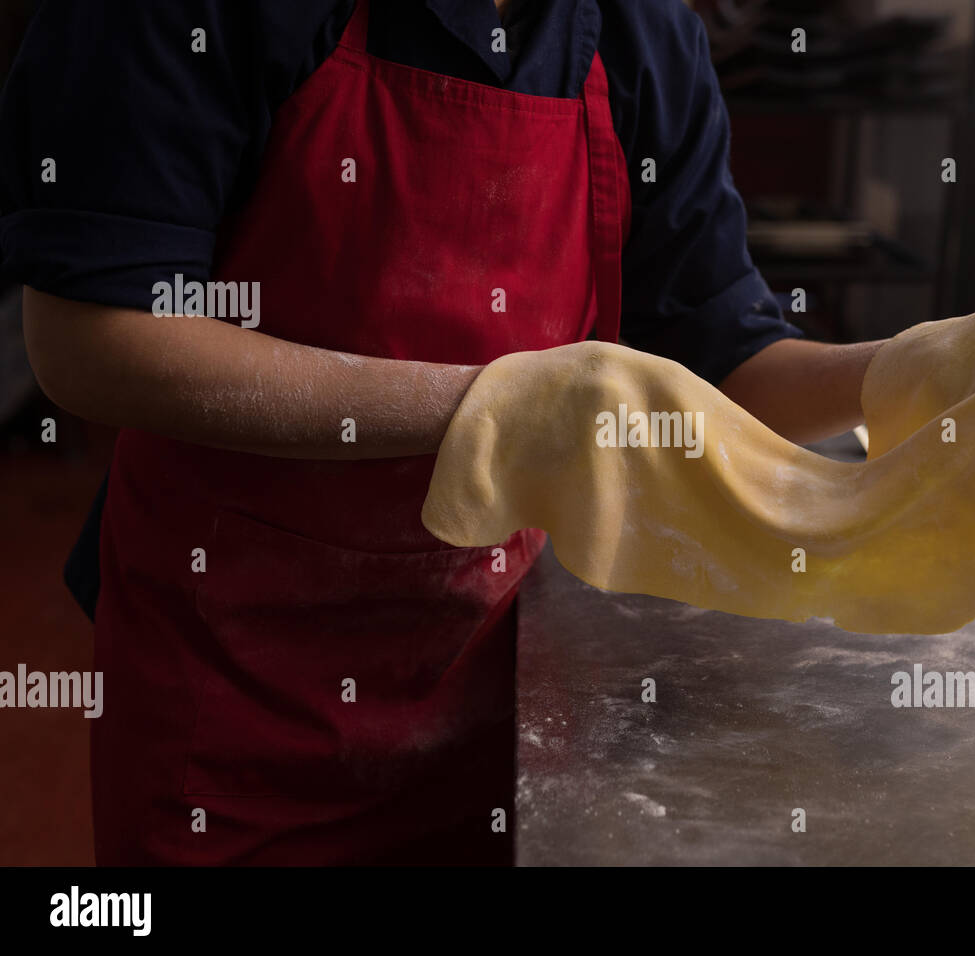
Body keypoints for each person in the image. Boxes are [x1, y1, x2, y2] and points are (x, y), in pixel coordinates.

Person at [1, 0, 882, 864]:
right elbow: (92, 340)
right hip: (240, 699)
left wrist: (898, 375)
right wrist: (503, 408)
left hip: (507, 680)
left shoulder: (640, 29)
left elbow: (723, 359)